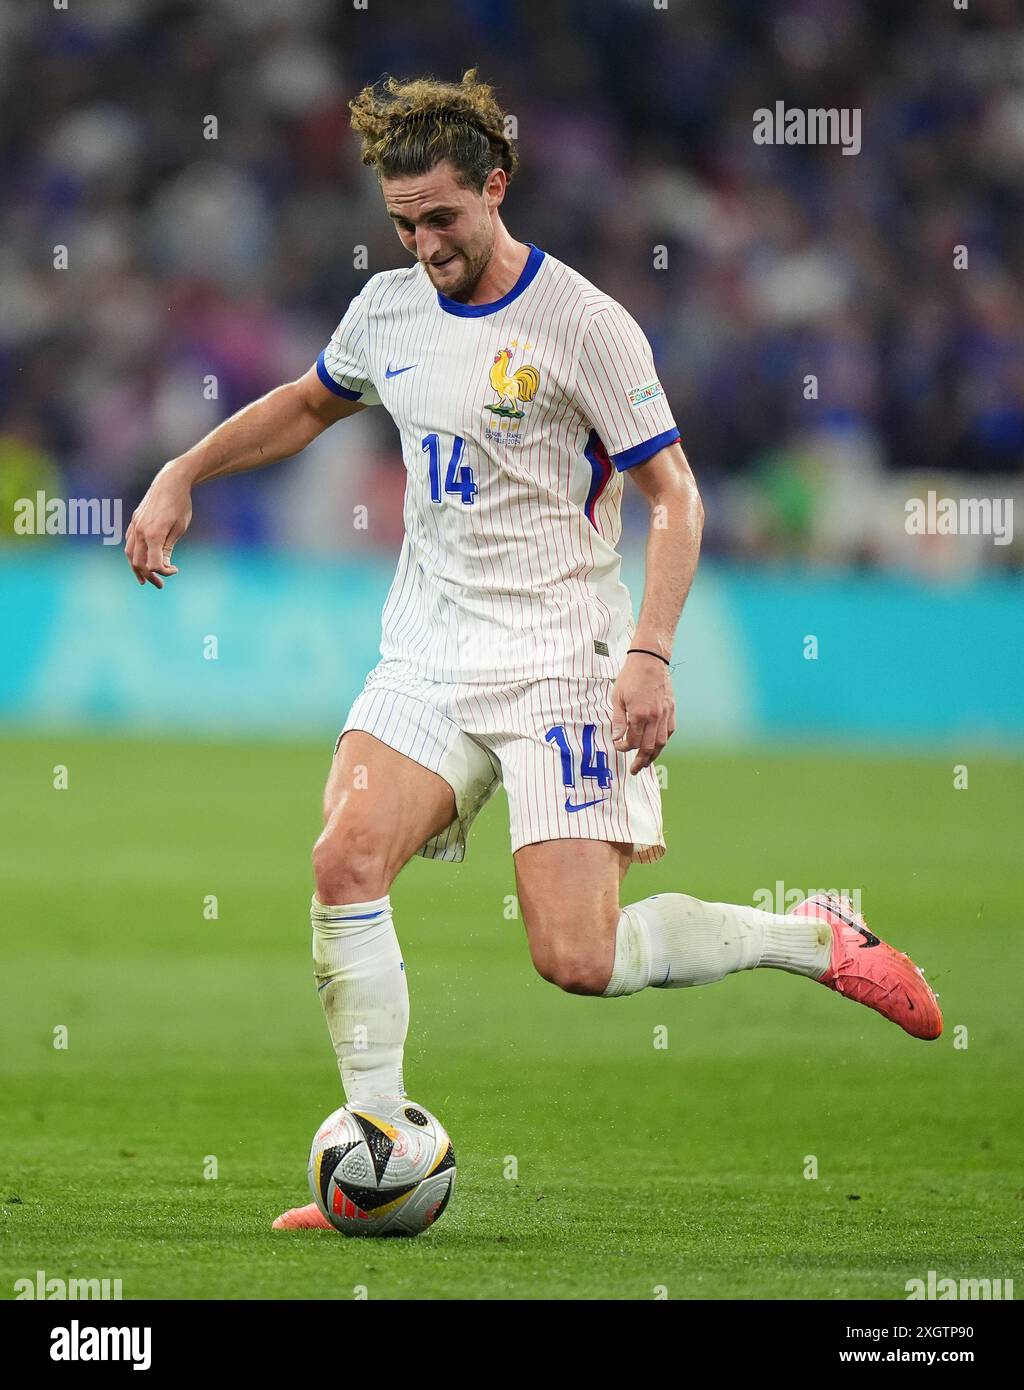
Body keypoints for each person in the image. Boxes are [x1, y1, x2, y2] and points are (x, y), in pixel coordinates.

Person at [123, 70, 942, 1232]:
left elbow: (679, 494)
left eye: (442, 218)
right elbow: (311, 403)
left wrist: (650, 651)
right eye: (402, 222)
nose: (423, 242)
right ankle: (374, 1153)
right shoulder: (389, 307)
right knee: (342, 861)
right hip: (427, 649)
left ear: (495, 187)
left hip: (564, 657)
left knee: (578, 959)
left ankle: (811, 935)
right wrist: (181, 470)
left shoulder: (584, 324)